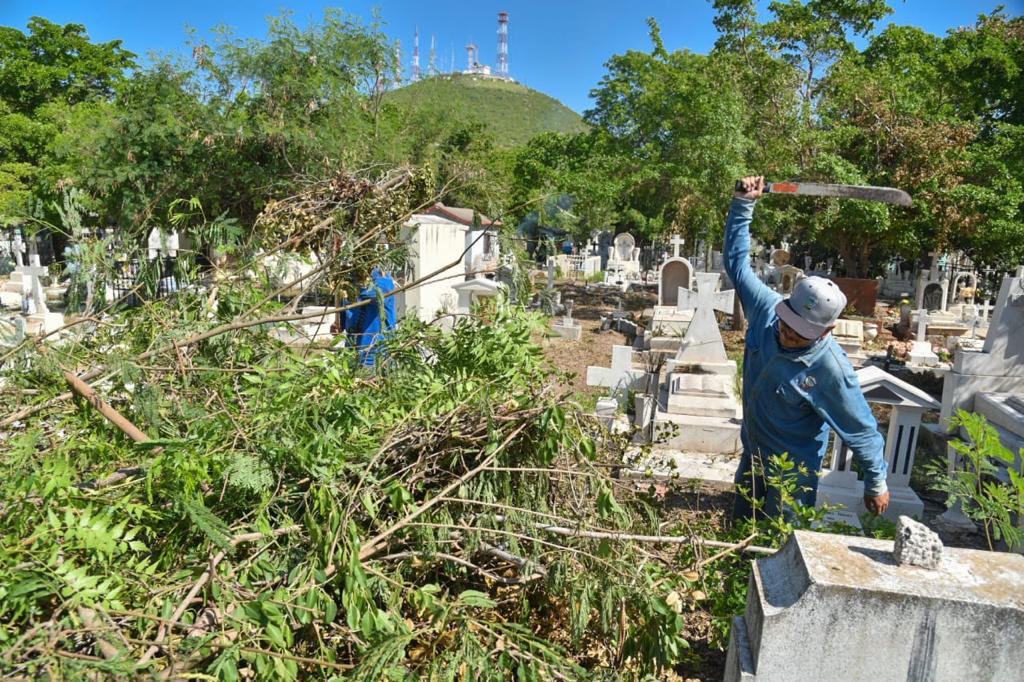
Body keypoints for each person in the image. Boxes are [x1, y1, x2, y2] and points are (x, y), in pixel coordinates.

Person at [725, 176, 890, 520]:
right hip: (753, 453)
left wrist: (876, 483)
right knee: (740, 529)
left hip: (791, 474)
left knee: (779, 547)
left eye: (801, 334)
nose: (788, 335)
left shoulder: (830, 368)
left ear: (827, 329)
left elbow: (860, 428)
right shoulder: (767, 309)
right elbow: (737, 267)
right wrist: (743, 205)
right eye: (787, 323)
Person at [343, 268, 397, 367]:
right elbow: (346, 313)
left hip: (377, 355)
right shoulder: (349, 281)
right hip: (351, 353)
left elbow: (374, 293)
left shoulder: (384, 282)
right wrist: (338, 324)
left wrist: (345, 286)